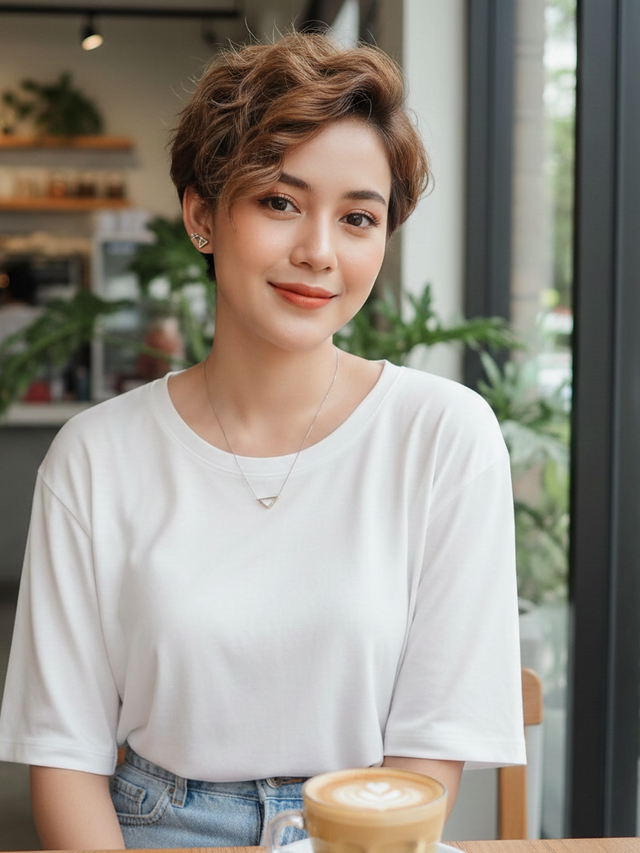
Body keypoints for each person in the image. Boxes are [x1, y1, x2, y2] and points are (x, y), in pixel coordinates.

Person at [0, 32, 526, 849]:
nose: (319, 251)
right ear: (202, 215)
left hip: (364, 829)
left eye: (358, 216)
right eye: (280, 202)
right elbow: (63, 762)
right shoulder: (96, 457)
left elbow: (425, 759)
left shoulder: (444, 437)